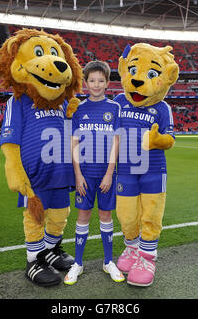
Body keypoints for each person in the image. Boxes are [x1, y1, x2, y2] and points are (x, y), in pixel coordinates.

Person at [64, 61, 124, 285]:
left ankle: (108, 261)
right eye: (92, 80)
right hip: (85, 174)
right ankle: (78, 263)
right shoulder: (79, 108)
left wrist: (110, 173)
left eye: (101, 80)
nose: (96, 85)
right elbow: (74, 143)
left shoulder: (114, 108)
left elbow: (116, 143)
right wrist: (78, 174)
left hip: (106, 173)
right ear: (85, 83)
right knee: (83, 215)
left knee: (106, 216)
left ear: (107, 83)